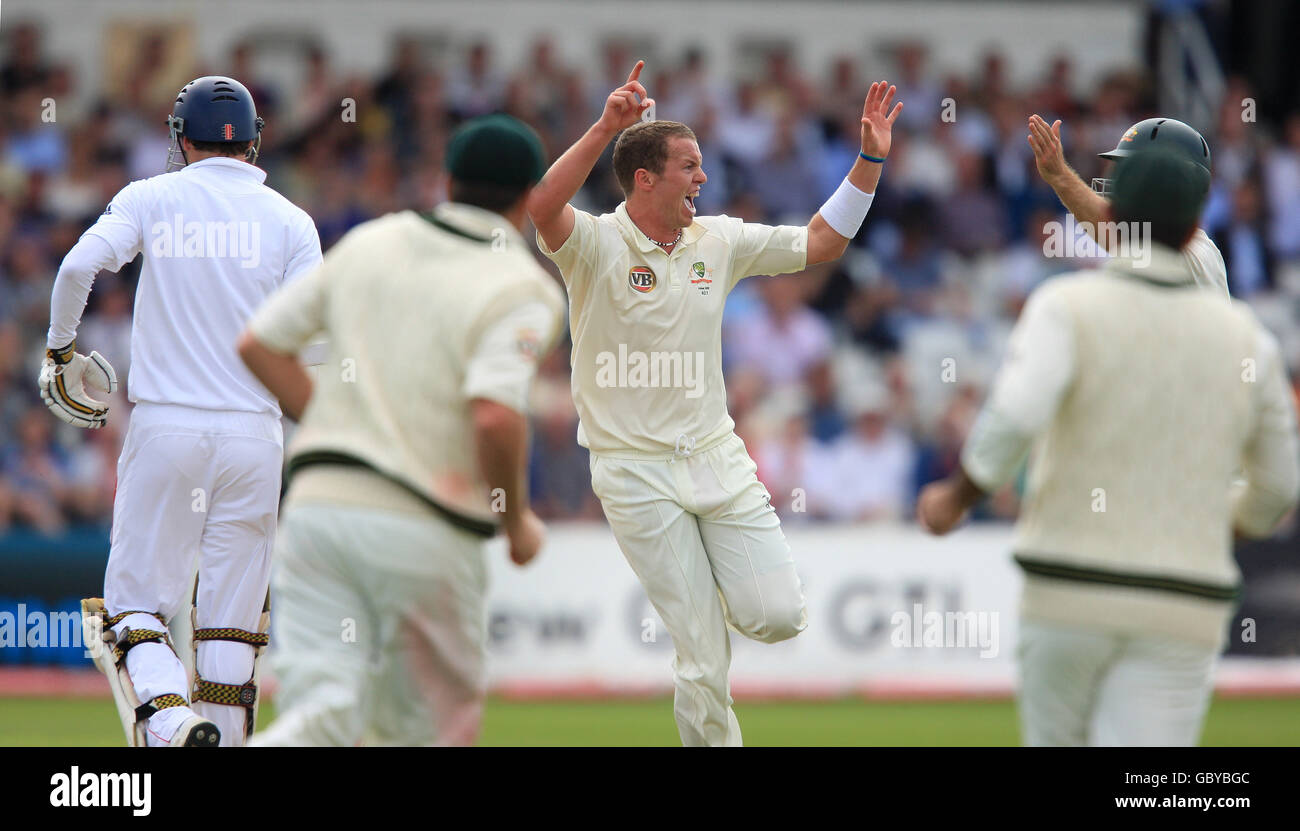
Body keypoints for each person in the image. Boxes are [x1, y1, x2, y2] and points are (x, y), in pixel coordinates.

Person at [527, 61, 902, 746]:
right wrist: (606, 127)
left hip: (714, 456)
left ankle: (704, 592)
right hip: (632, 469)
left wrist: (870, 158)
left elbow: (824, 241)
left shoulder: (718, 241)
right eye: (689, 166)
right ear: (645, 178)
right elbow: (542, 207)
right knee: (702, 654)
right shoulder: (595, 244)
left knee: (779, 615)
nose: (703, 178)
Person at [916, 149, 1300, 746]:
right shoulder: (1250, 339)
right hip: (1183, 596)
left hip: (1070, 587)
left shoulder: (1065, 306)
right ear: (1199, 218)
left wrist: (956, 498)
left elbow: (1015, 415)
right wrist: (1216, 524)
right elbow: (1277, 488)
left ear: (1116, 212)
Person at [239, 114, 565, 747]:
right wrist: (518, 520)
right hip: (427, 528)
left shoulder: (372, 241)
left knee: (326, 717)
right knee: (428, 733)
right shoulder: (523, 286)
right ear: (530, 196)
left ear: (445, 181)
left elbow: (260, 345)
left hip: (316, 513)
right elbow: (495, 414)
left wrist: (343, 424)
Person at [44, 76, 322, 746]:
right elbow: (315, 350)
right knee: (232, 624)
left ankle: (171, 722)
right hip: (257, 433)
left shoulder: (152, 197)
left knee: (134, 606)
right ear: (255, 141)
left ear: (180, 138)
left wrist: (58, 351)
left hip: (167, 425)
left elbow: (78, 267)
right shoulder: (292, 220)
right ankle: (218, 737)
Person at [1027, 114, 1229, 298]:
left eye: (1132, 173)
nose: (1122, 184)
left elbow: (1126, 236)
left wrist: (1061, 177)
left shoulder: (1199, 253)